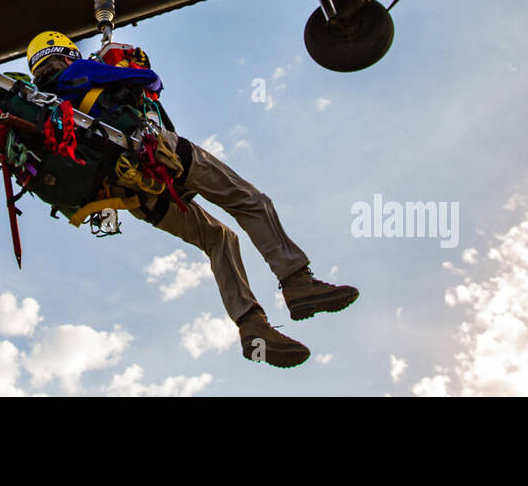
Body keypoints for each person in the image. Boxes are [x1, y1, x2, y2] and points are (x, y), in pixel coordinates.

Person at [18, 30, 360, 368]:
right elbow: (150, 81)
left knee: (218, 238)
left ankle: (253, 328)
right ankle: (297, 282)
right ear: (67, 55)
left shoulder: (44, 106)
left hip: (133, 195)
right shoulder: (78, 72)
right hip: (158, 154)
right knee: (250, 201)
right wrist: (130, 64)